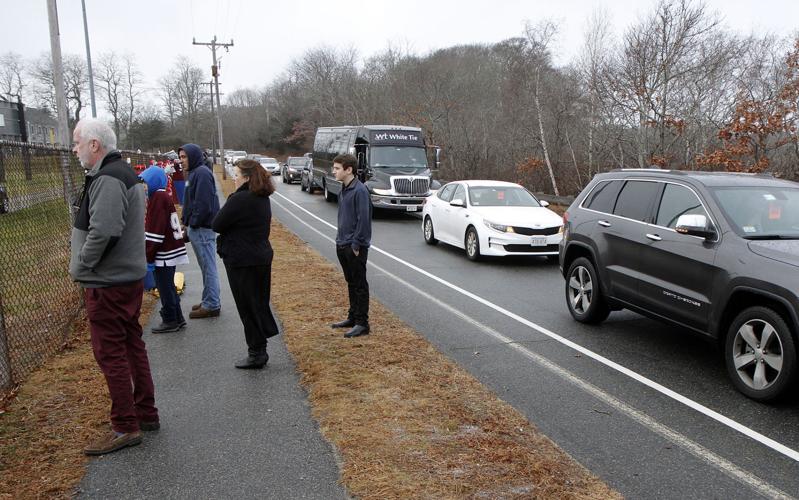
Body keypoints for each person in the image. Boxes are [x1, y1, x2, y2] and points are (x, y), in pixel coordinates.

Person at [70, 117, 159, 456]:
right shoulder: (122, 173)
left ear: (95, 144)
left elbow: (105, 230)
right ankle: (145, 412)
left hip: (108, 282)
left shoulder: (108, 177)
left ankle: (125, 425)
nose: (74, 148)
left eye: (77, 142)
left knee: (111, 352)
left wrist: (82, 265)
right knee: (131, 345)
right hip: (124, 277)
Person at [212, 159, 280, 368]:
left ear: (247, 178)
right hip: (259, 256)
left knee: (247, 307)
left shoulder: (240, 199)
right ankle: (260, 349)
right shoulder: (261, 197)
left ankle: (256, 352)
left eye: (237, 175)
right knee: (258, 303)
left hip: (242, 259)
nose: (234, 178)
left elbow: (217, 224)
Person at [139, 165, 189, 333]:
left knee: (164, 288)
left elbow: (155, 231)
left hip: (164, 252)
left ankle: (170, 319)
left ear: (153, 181)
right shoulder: (162, 196)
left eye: (146, 182)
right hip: (170, 250)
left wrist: (149, 255)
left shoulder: (158, 198)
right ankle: (178, 317)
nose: (144, 186)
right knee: (169, 286)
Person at [330, 154, 372, 338]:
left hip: (354, 247)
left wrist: (356, 244)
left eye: (337, 168)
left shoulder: (360, 191)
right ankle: (353, 317)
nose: (334, 171)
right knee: (351, 282)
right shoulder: (344, 189)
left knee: (360, 284)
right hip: (342, 243)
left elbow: (364, 220)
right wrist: (339, 240)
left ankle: (362, 323)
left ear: (349, 170)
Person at [180, 143, 221, 319]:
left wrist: (193, 223)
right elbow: (190, 201)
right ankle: (208, 300)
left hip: (202, 228)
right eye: (180, 157)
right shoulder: (195, 173)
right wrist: (185, 222)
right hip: (198, 227)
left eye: (184, 157)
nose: (181, 160)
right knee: (205, 268)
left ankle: (212, 304)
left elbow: (203, 204)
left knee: (208, 267)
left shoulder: (202, 173)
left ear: (193, 156)